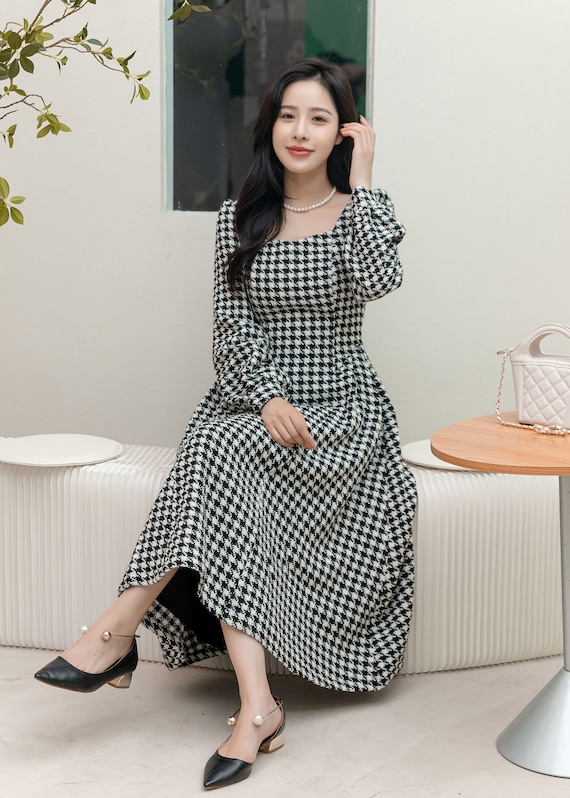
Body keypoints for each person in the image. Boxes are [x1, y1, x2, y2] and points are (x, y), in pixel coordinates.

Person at [34, 58, 416, 791]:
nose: (299, 131)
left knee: (214, 451)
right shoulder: (240, 217)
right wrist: (267, 396)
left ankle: (115, 631)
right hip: (252, 403)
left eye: (319, 118)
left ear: (343, 133)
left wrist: (365, 181)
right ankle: (255, 706)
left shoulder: (364, 210)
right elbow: (230, 327)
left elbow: (380, 281)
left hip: (340, 413)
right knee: (221, 448)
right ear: (269, 124)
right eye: (288, 115)